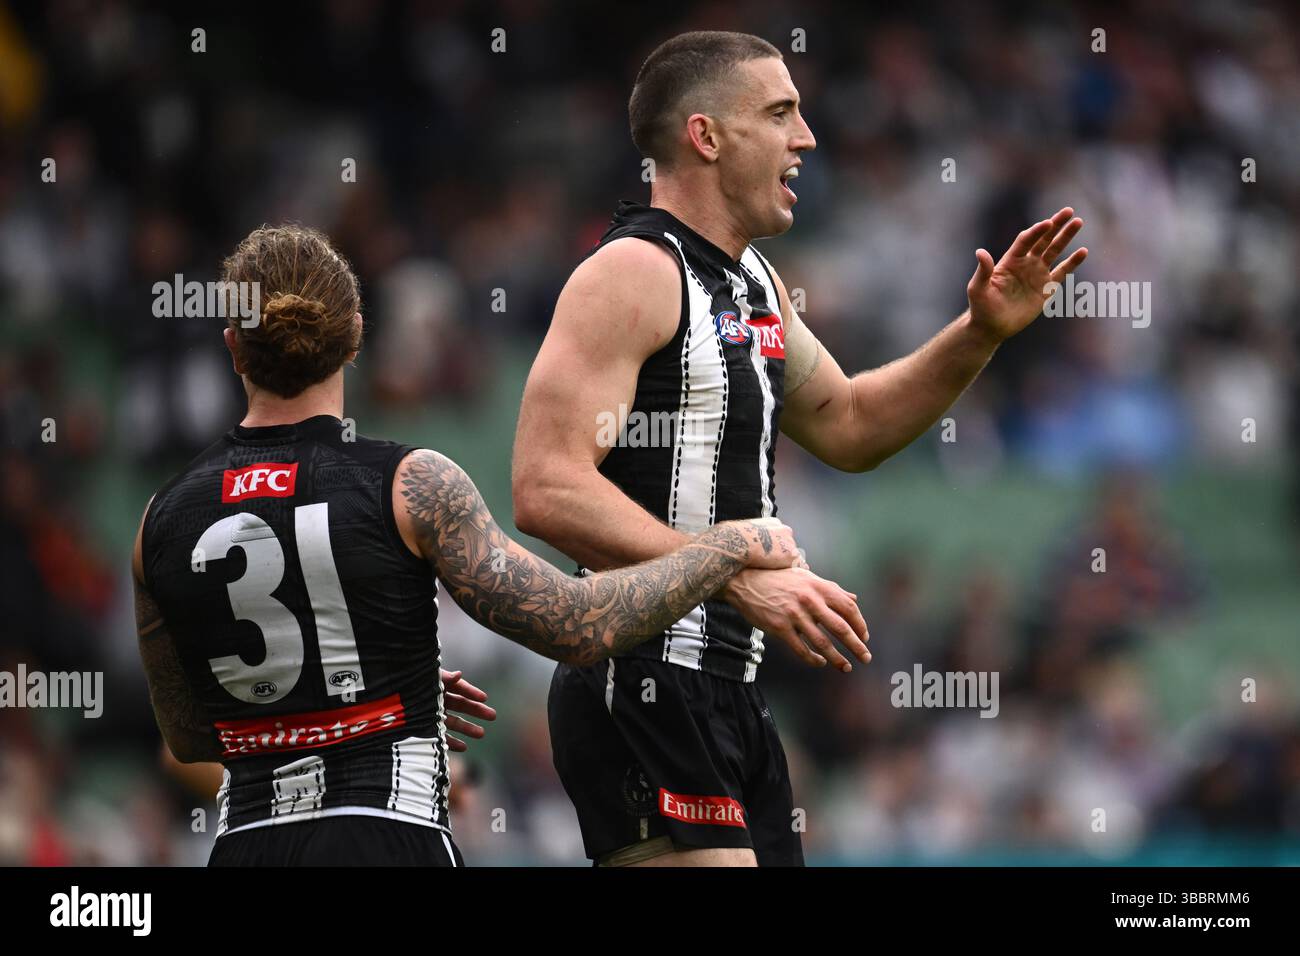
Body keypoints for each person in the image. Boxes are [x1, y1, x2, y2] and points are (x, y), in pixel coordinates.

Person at [513, 30, 1087, 866]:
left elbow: (851, 424)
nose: (807, 137)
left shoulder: (757, 286)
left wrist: (979, 332)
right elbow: (545, 486)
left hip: (732, 694)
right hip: (642, 675)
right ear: (706, 137)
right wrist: (734, 572)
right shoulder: (631, 272)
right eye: (780, 113)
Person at [133, 224, 801, 866]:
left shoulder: (159, 520)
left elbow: (190, 738)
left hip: (245, 842)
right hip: (389, 837)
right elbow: (578, 624)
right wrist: (723, 549)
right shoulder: (410, 484)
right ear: (356, 335)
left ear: (232, 345)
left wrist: (342, 699)